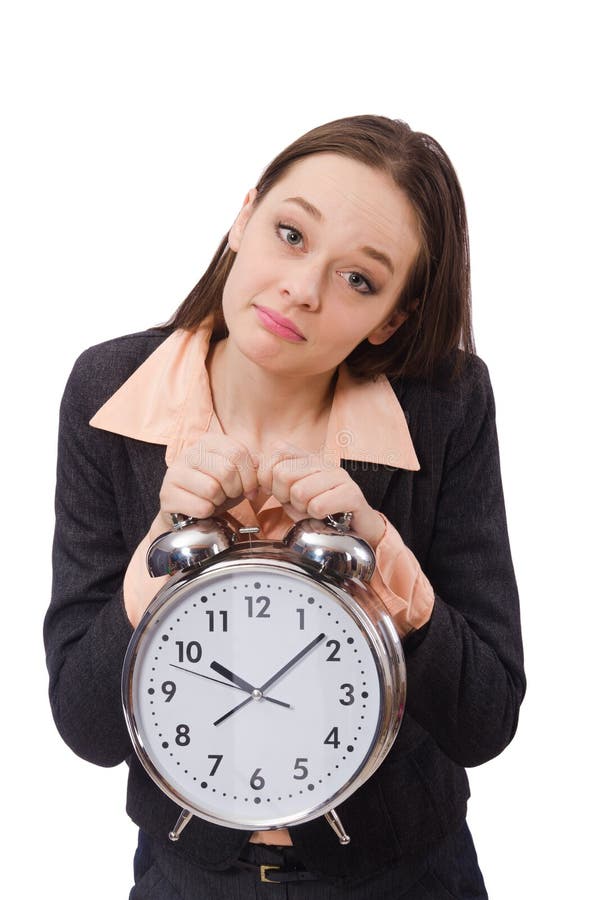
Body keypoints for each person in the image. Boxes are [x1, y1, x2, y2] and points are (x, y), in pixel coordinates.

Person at [44, 115, 525, 898]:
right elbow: (86, 725)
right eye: (292, 234)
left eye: (359, 279)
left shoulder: (445, 404)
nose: (301, 290)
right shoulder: (110, 392)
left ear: (391, 319)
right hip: (192, 875)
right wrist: (158, 558)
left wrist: (391, 573)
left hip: (404, 871)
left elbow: (486, 719)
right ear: (244, 214)